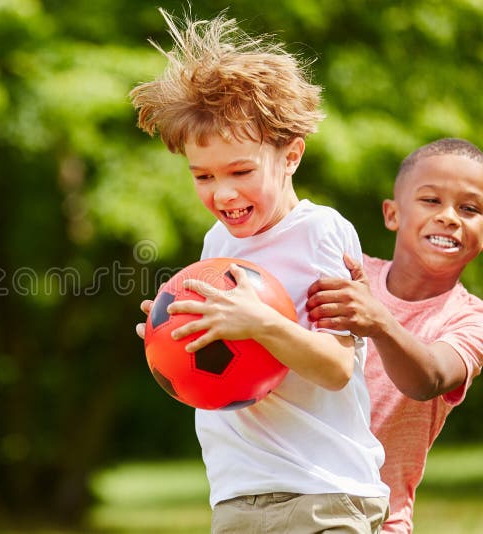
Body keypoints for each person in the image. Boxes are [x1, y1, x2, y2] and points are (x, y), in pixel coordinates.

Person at [130, 9, 389, 533]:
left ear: (291, 155)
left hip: (322, 492)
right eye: (202, 175)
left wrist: (260, 323)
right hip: (237, 493)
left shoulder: (321, 233)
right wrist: (175, 336)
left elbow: (337, 369)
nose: (222, 193)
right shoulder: (217, 243)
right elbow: (226, 369)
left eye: (241, 171)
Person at [306, 137, 483, 534]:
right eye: (431, 200)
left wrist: (379, 322)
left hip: (374, 518)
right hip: (289, 499)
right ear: (393, 214)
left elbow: (429, 379)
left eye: (470, 208)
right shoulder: (346, 273)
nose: (450, 217)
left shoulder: (471, 320)